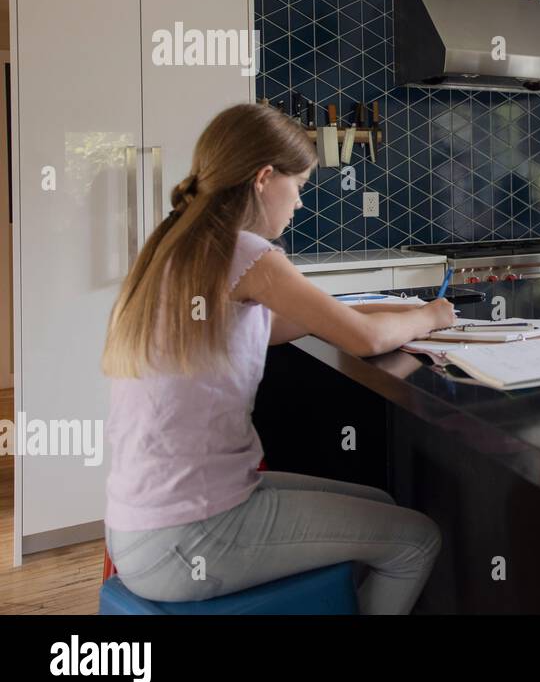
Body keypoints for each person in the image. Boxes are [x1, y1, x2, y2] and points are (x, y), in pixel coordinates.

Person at [100, 102, 457, 614]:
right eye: (300, 186)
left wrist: (403, 306)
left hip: (140, 528)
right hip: (187, 539)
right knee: (416, 539)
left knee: (379, 505)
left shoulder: (183, 249)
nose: (300, 204)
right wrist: (433, 317)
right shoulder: (246, 252)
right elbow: (359, 337)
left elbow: (310, 319)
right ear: (265, 178)